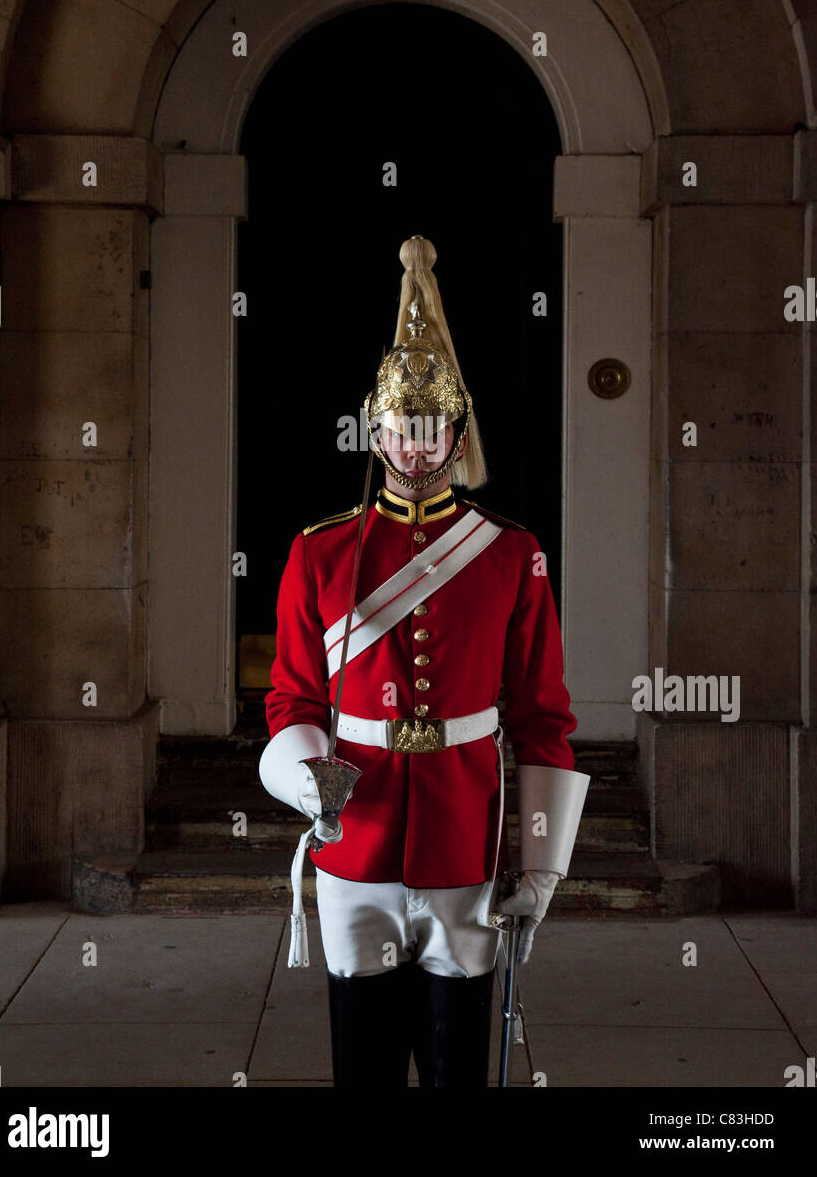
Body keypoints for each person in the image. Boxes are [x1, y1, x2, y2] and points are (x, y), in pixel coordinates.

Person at [259, 236, 589, 1087]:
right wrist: (309, 783)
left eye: (429, 428)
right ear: (377, 429)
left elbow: (543, 719)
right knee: (362, 1067)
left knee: (455, 1067)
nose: (413, 448)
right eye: (400, 430)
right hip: (355, 840)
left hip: (464, 839)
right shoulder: (319, 552)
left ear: (457, 432)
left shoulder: (511, 553)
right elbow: (293, 699)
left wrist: (542, 861)